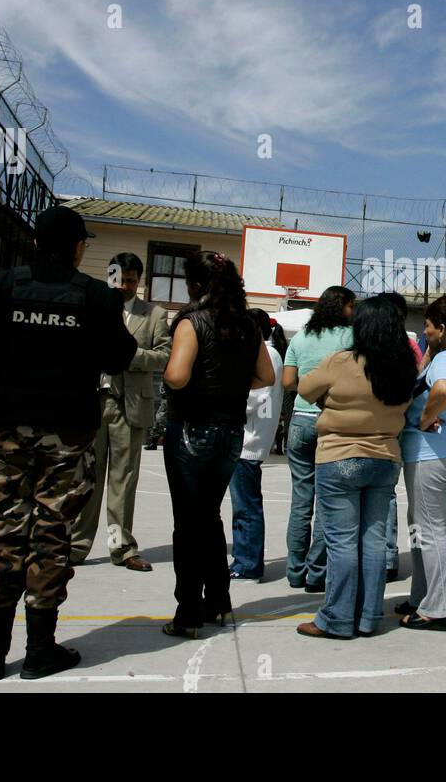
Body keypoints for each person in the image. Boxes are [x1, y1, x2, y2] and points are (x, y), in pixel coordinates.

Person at [0, 205, 137, 681]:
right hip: (67, 434)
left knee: (3, 534)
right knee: (52, 535)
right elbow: (120, 356)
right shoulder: (96, 296)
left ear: (35, 243)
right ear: (78, 248)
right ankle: (40, 652)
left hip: (5, 431)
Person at [161, 252, 272, 638]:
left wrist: (180, 374)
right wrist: (231, 386)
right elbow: (265, 375)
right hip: (230, 433)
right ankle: (219, 601)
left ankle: (188, 611)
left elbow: (176, 376)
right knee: (208, 517)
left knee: (187, 524)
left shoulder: (192, 321)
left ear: (195, 285)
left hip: (192, 428)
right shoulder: (247, 324)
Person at [295, 297, 416, 638]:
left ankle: (337, 618)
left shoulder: (341, 361)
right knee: (374, 541)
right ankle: (367, 617)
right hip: (385, 457)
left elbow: (304, 389)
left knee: (342, 543)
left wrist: (328, 400)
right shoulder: (405, 367)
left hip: (339, 456)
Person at [70, 252, 171, 571]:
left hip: (130, 404)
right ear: (110, 275)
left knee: (123, 478)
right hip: (94, 401)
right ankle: (78, 543)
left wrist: (129, 355)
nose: (124, 285)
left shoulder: (154, 315)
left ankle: (121, 547)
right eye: (119, 279)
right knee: (88, 475)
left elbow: (164, 355)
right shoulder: (94, 307)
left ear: (139, 281)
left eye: (131, 280)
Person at [397, 294, 446, 630]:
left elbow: (443, 388)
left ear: (442, 329)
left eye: (428, 328)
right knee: (419, 527)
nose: (424, 332)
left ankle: (441, 607)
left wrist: (425, 418)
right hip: (445, 452)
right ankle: (422, 594)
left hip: (434, 453)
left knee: (430, 531)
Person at [282, 285, 356, 591]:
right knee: (329, 501)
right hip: (332, 421)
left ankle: (294, 570)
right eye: (352, 306)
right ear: (343, 308)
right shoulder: (349, 338)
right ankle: (316, 572)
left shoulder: (300, 337)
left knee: (301, 501)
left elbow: (288, 382)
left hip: (300, 419)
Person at [229, 308, 285, 582]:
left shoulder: (267, 354)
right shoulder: (265, 353)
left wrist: (229, 403)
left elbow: (256, 398)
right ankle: (243, 557)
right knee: (243, 505)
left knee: (246, 506)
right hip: (249, 439)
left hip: (249, 441)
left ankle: (248, 562)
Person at [378, 292, 423, 581]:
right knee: (394, 496)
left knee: (383, 494)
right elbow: (419, 380)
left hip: (381, 427)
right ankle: (388, 556)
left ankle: (383, 556)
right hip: (401, 425)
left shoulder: (372, 345)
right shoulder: (409, 346)